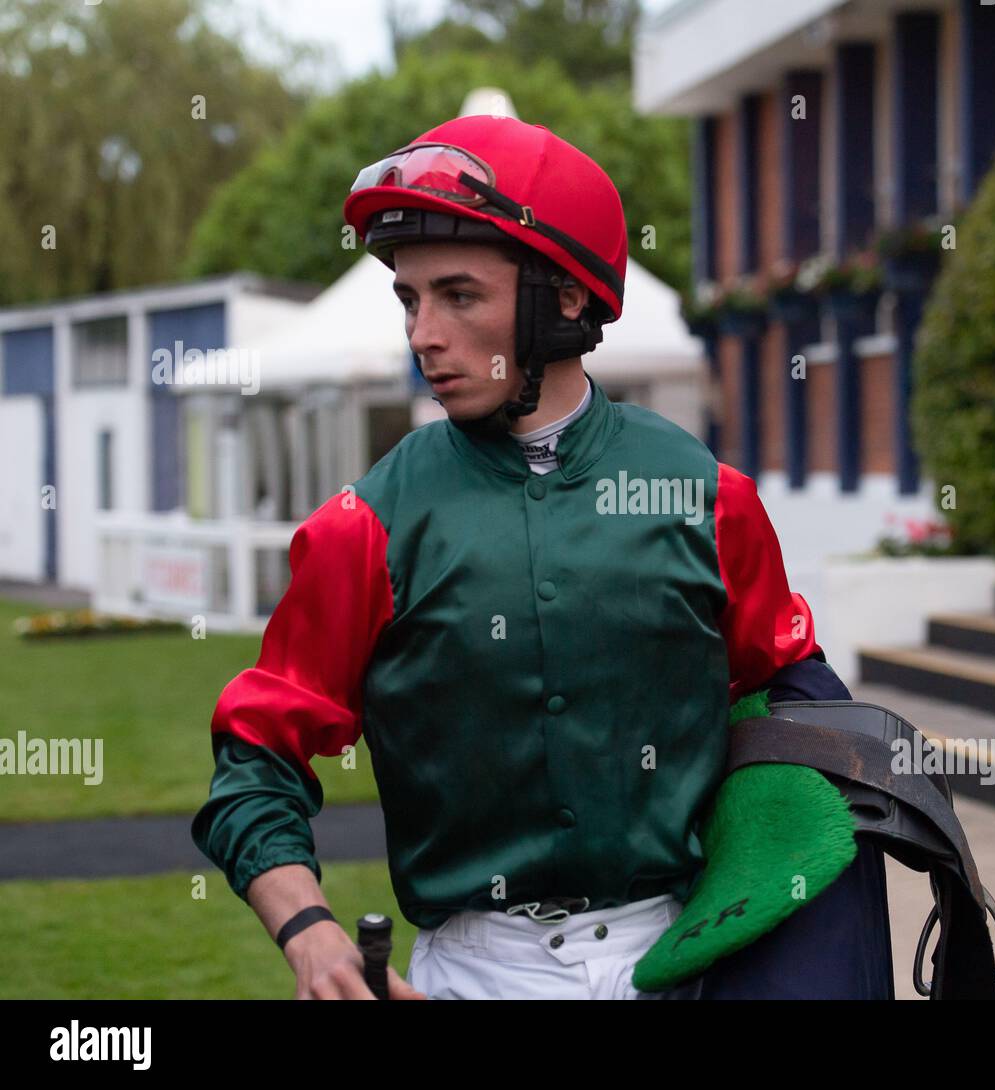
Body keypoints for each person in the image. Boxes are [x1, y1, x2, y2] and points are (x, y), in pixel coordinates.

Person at [191, 114, 892, 1000]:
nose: (423, 334)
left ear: (563, 297)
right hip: (475, 974)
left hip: (685, 960)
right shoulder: (363, 524)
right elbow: (257, 753)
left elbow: (790, 717)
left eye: (459, 296)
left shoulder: (710, 499)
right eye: (411, 300)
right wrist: (307, 929)